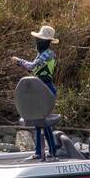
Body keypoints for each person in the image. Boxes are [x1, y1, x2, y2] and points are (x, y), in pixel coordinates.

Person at [14, 24, 60, 160]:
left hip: (46, 88)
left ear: (47, 42)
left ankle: (52, 152)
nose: (38, 42)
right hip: (38, 88)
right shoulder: (41, 54)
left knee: (45, 122)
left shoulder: (49, 54)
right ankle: (39, 152)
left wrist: (18, 61)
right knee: (37, 120)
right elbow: (32, 69)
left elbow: (32, 68)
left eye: (41, 40)